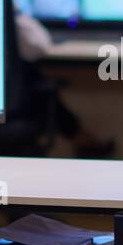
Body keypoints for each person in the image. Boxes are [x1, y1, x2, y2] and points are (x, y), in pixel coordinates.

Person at [14, 9, 115, 157]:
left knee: (32, 79)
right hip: (5, 109)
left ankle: (82, 140)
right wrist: (16, 13)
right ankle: (83, 141)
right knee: (33, 82)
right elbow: (38, 47)